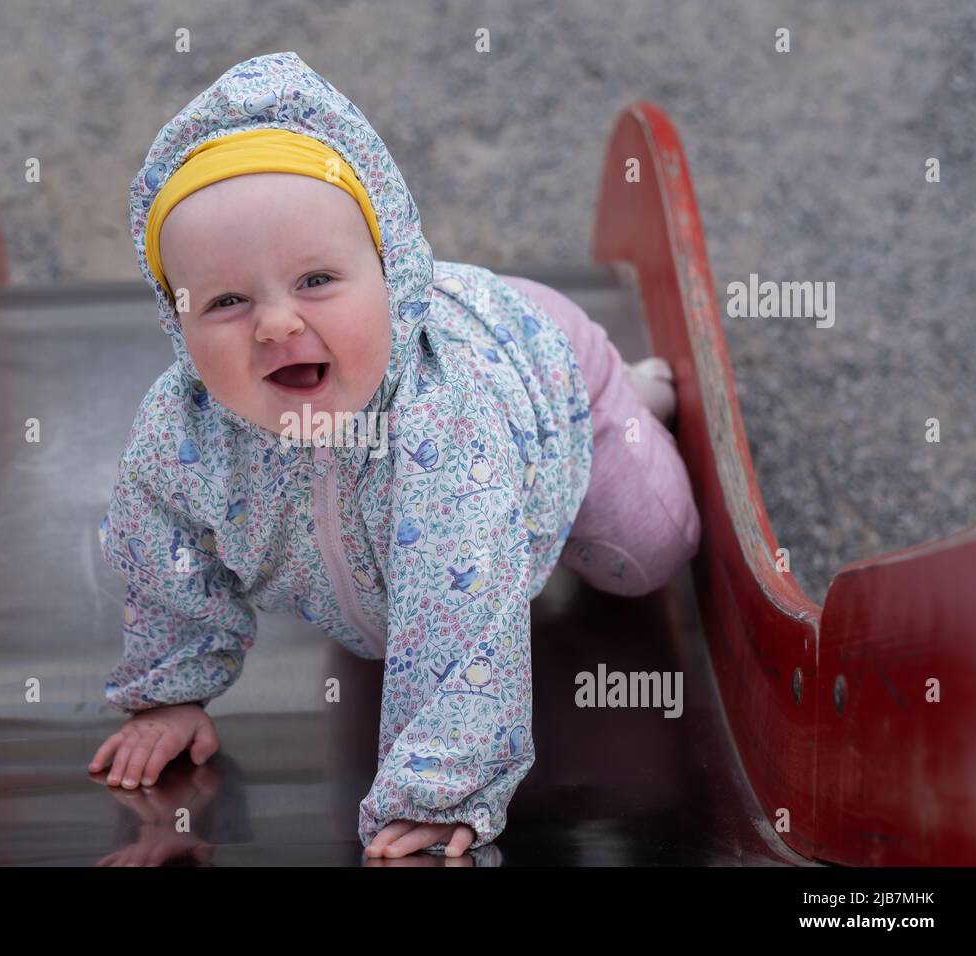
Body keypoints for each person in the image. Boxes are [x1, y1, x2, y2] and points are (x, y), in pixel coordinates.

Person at [89, 51, 699, 859]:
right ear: (177, 322)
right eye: (227, 300)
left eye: (316, 280)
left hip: (544, 368)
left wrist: (441, 792)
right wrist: (169, 695)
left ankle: (625, 390)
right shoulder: (183, 435)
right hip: (388, 585)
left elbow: (470, 611)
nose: (274, 325)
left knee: (643, 557)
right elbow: (162, 562)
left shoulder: (442, 427)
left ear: (390, 276)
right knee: (380, 643)